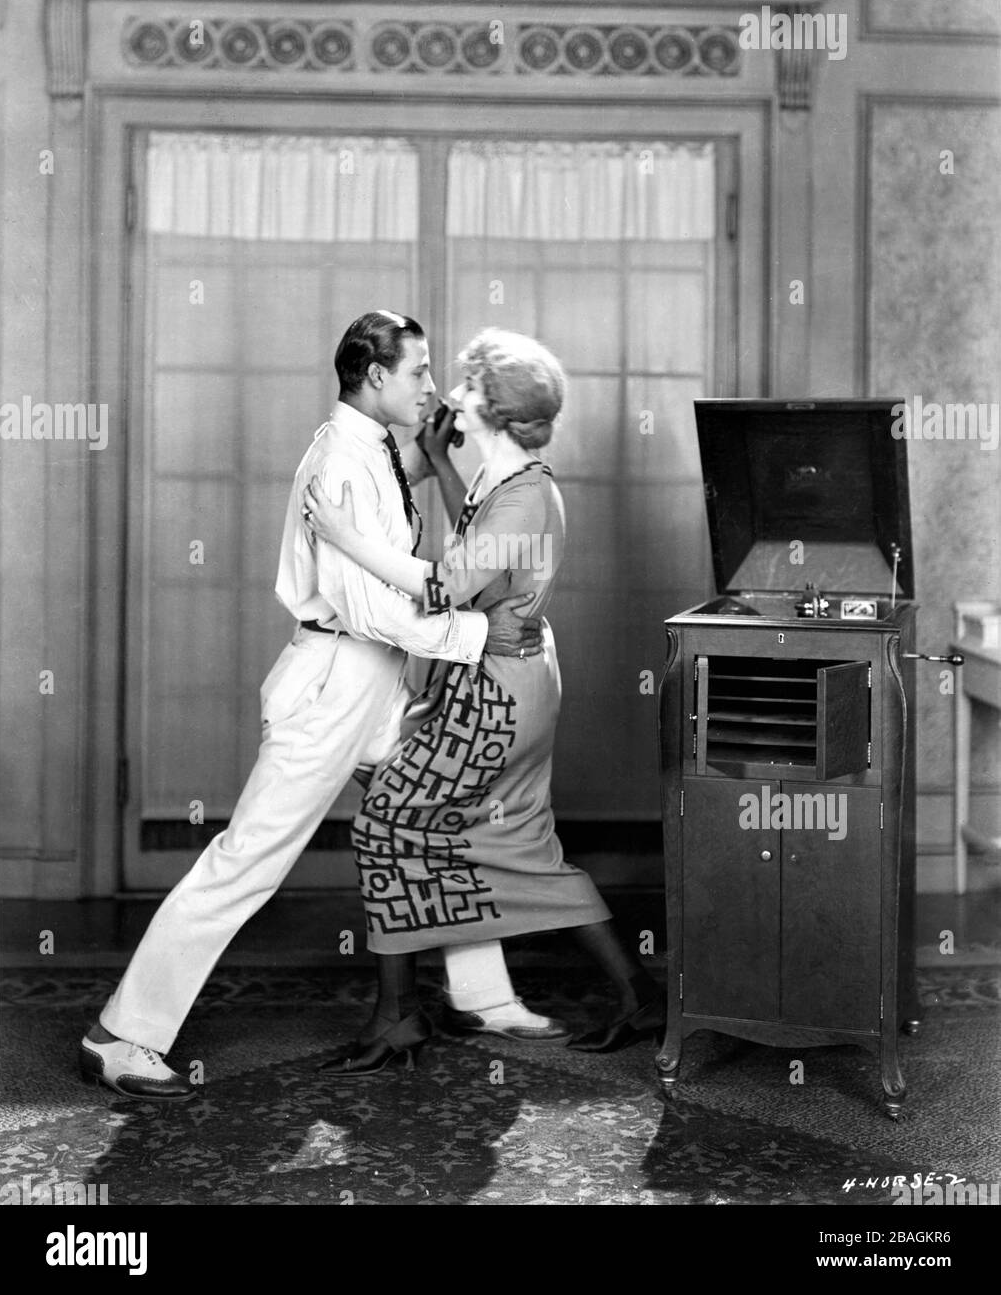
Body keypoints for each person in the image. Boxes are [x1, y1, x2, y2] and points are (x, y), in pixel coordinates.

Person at [80, 311, 564, 1101]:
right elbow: (370, 609)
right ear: (375, 377)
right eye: (418, 373)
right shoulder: (341, 459)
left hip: (373, 683)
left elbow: (387, 527)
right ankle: (121, 1035)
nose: (432, 387)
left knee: (437, 820)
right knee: (247, 862)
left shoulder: (367, 448)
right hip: (336, 681)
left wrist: (427, 464)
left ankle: (483, 998)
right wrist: (482, 634)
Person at [304, 328, 665, 1076]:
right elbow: (481, 536)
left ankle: (398, 1013)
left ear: (495, 410)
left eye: (467, 389)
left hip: (497, 695)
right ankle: (639, 996)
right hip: (514, 678)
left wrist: (341, 534)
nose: (450, 395)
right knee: (520, 846)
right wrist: (438, 462)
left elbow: (441, 586)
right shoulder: (512, 482)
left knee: (385, 820)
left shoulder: (521, 500)